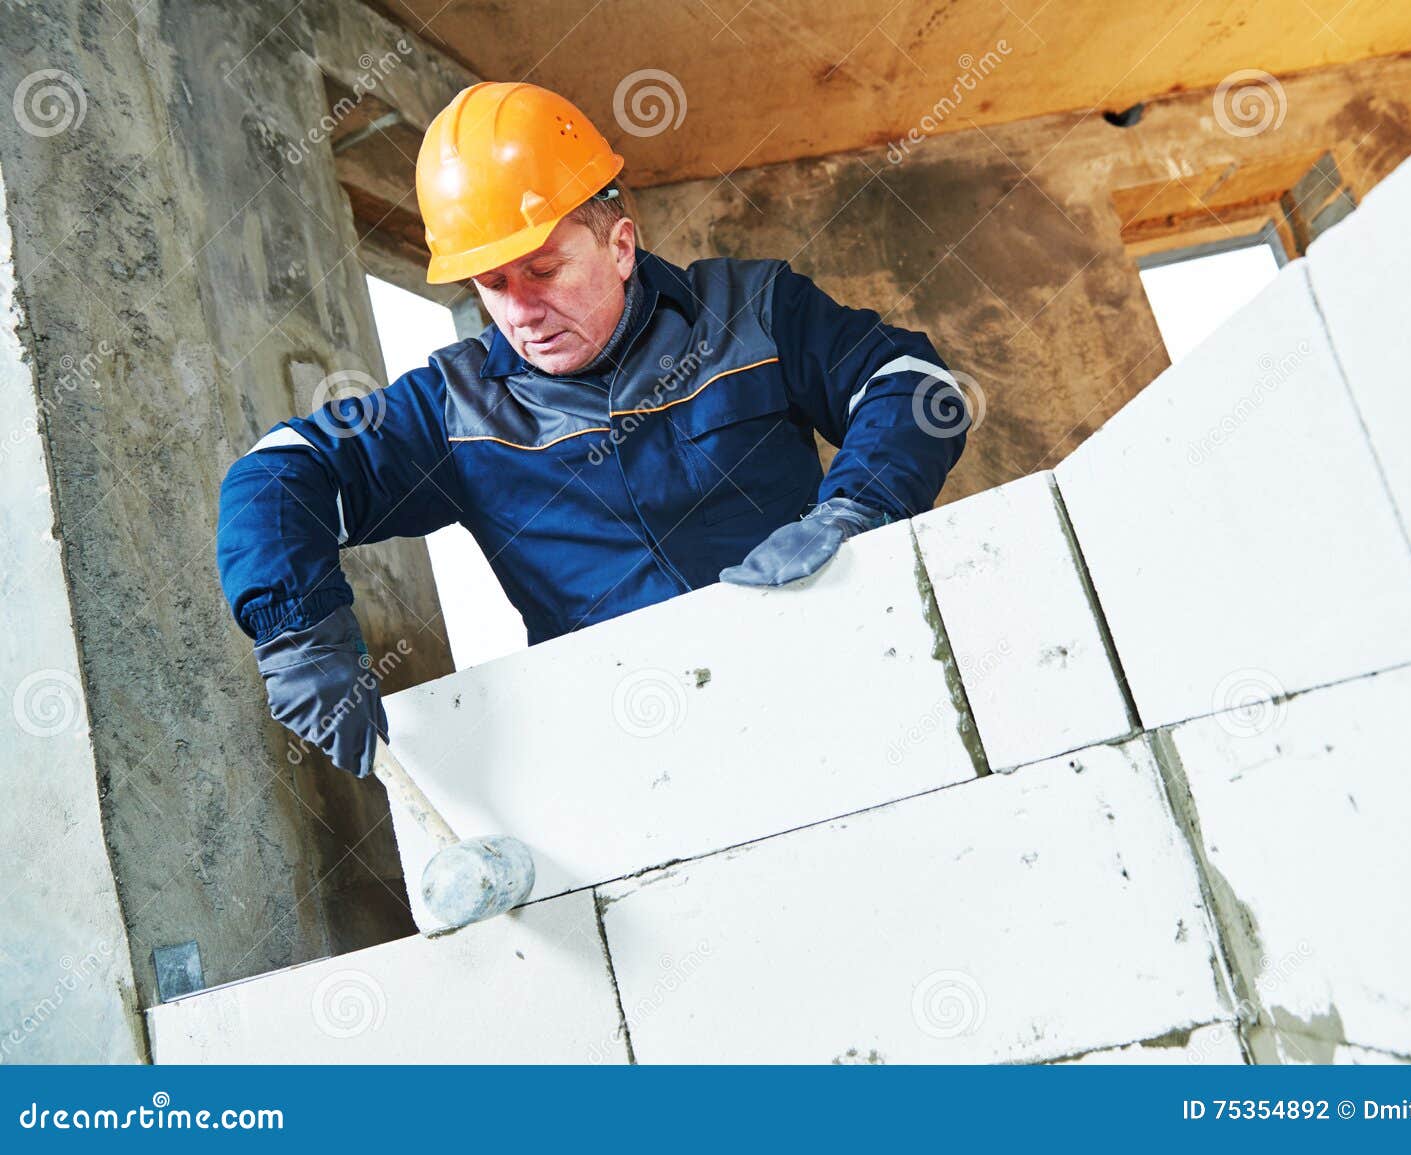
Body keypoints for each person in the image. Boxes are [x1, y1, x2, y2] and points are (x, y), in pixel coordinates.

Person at [216, 82, 968, 777]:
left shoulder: (752, 311)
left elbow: (916, 384)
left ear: (619, 245)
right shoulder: (454, 408)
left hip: (841, 698)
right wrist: (295, 626)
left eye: (541, 269)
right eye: (492, 284)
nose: (518, 312)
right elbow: (280, 472)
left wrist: (854, 509)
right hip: (638, 766)